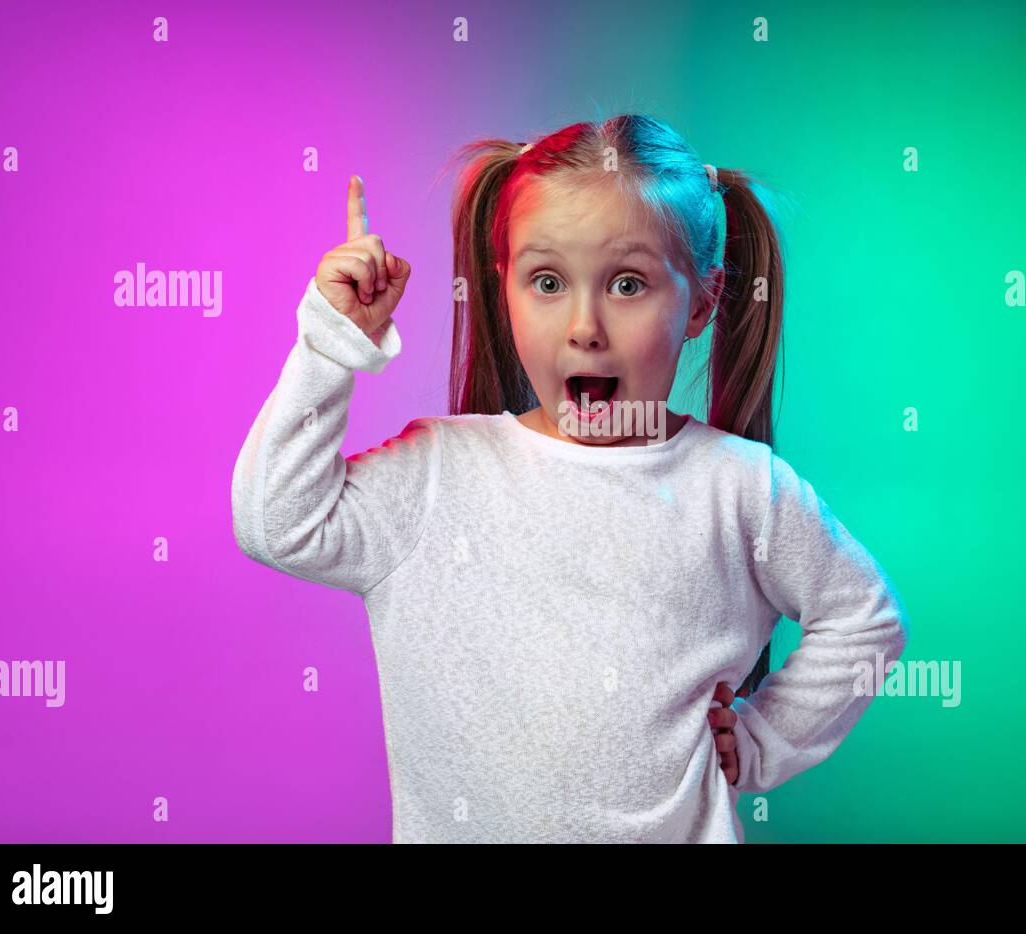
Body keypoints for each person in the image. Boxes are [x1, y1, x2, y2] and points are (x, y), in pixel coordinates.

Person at [231, 113, 909, 843]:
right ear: (506, 291)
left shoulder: (740, 488)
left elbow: (866, 619)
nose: (584, 326)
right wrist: (329, 345)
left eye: (627, 284)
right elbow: (278, 523)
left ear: (702, 302)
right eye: (548, 282)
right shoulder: (436, 474)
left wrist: (761, 739)